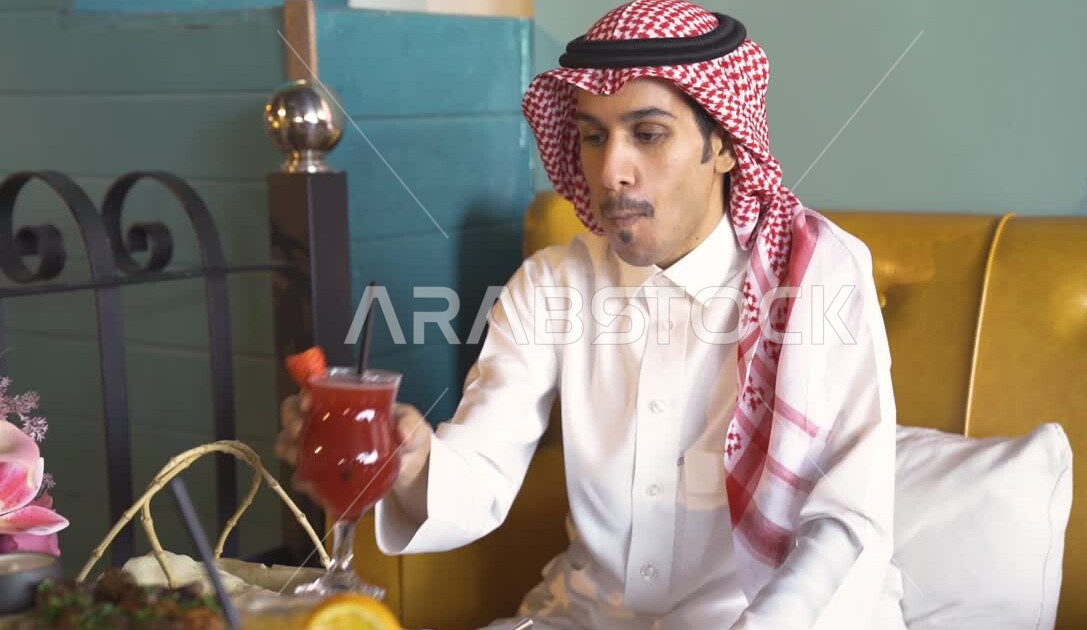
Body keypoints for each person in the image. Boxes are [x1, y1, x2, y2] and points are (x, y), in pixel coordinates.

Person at [277, 1, 906, 628]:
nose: (611, 171)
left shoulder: (814, 274)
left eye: (649, 134)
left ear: (725, 145)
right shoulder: (552, 284)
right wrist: (409, 460)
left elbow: (845, 516)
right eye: (593, 135)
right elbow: (478, 476)